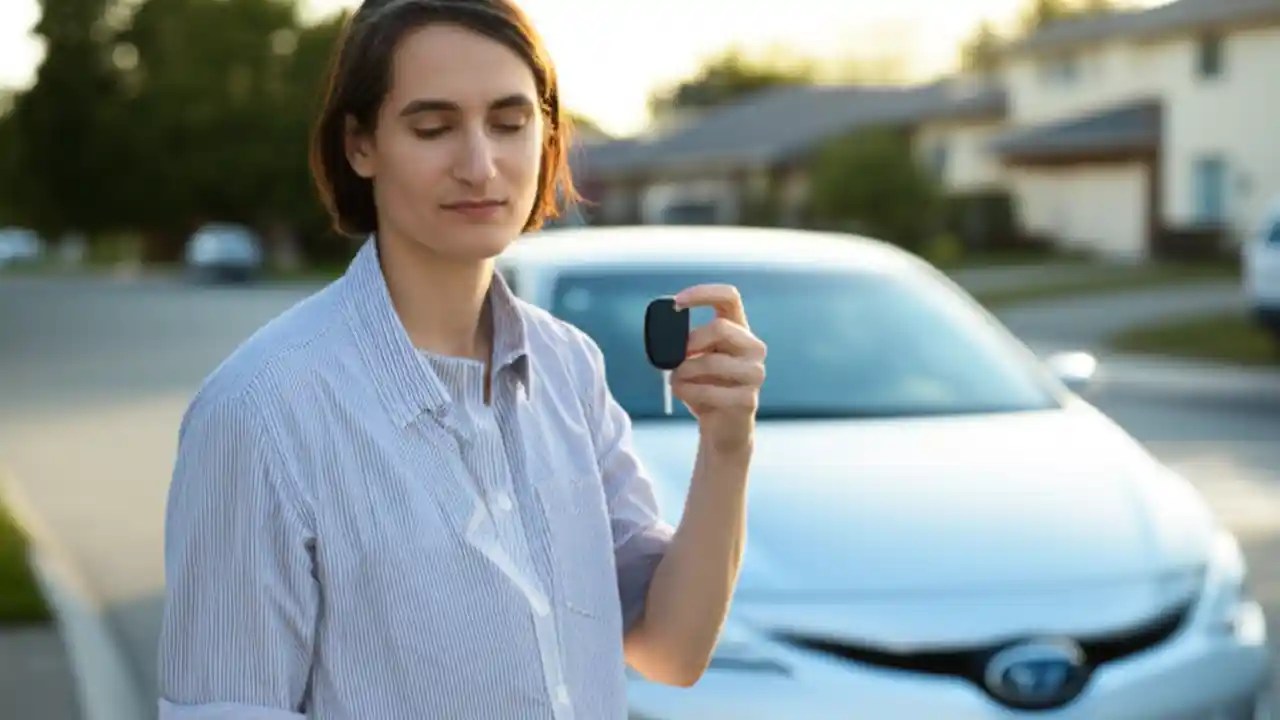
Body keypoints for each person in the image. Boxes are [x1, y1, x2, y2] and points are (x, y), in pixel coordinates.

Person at [155, 0, 767, 718]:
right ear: (360, 145)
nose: (480, 166)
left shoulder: (569, 369)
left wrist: (727, 446)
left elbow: (671, 647)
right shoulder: (260, 413)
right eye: (433, 127)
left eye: (509, 124)